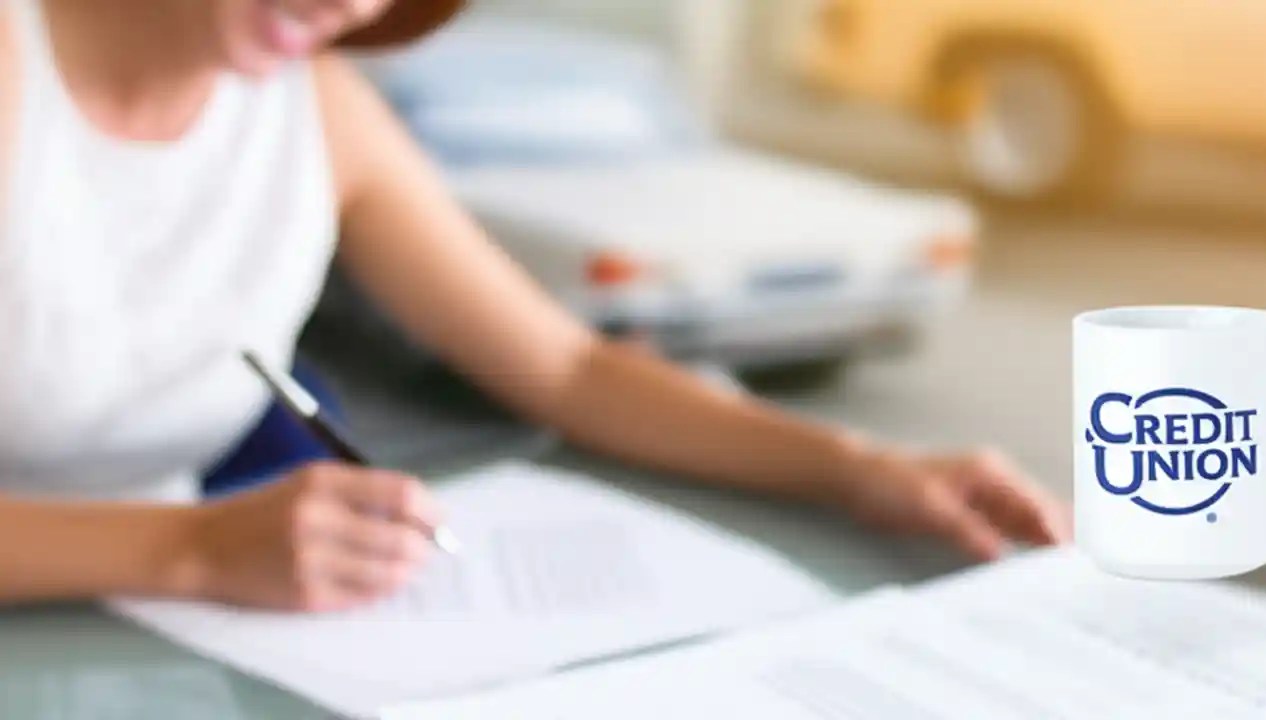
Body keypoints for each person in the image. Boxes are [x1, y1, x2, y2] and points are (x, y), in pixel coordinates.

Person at [0, 0, 1066, 613]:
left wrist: (858, 466)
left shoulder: (320, 109)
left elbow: (566, 370)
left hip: (147, 632)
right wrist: (193, 551)